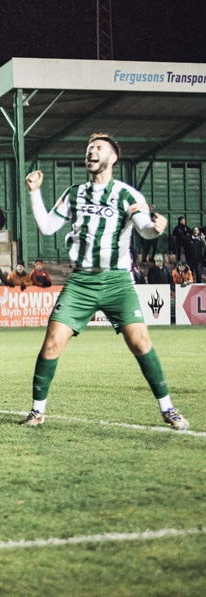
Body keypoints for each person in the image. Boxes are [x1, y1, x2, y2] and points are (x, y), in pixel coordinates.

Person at [21, 132, 188, 430]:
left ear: (113, 158)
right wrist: (34, 192)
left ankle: (168, 409)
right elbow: (46, 227)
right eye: (89, 148)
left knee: (140, 342)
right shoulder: (74, 193)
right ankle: (37, 411)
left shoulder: (127, 195)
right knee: (52, 344)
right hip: (81, 282)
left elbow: (144, 229)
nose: (91, 151)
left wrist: (156, 228)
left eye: (98, 148)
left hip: (117, 282)